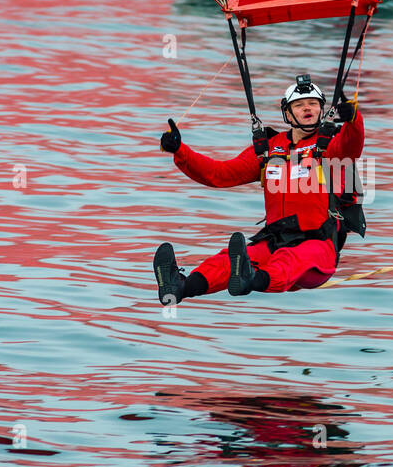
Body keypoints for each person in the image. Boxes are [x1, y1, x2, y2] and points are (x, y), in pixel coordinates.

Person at [153, 76, 364, 303]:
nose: (307, 108)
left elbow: (352, 144)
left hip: (318, 247)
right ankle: (180, 287)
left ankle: (251, 280)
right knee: (227, 261)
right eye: (299, 104)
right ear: (288, 113)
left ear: (322, 109)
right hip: (273, 240)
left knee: (287, 259)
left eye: (313, 103)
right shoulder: (270, 148)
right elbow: (220, 174)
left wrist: (353, 118)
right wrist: (180, 151)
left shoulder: (331, 144)